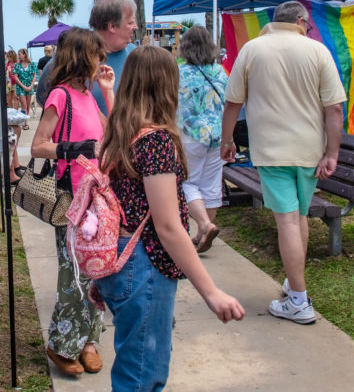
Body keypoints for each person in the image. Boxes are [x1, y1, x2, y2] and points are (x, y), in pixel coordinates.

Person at [96, 45, 244, 390]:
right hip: (143, 264)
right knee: (143, 374)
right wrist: (211, 292)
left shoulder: (120, 133)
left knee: (133, 363)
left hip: (119, 257)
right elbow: (167, 226)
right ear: (167, 85)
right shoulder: (157, 140)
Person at [220, 1, 346, 325]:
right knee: (298, 217)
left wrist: (227, 140)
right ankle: (295, 286)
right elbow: (334, 109)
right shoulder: (317, 51)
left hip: (272, 151)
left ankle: (299, 300)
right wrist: (332, 152)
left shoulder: (252, 49)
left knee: (288, 221)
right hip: (309, 151)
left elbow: (233, 102)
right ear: (302, 21)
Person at [31, 28, 113, 378]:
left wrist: (108, 91)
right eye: (97, 55)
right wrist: (74, 149)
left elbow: (112, 133)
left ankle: (89, 340)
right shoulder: (60, 96)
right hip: (70, 194)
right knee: (72, 271)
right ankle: (63, 343)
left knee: (95, 268)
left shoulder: (87, 95)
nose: (102, 61)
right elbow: (38, 146)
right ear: (82, 57)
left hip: (96, 194)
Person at [37, 0, 138, 115]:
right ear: (111, 26)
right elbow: (43, 99)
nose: (135, 27)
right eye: (131, 22)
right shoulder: (68, 59)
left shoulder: (136, 56)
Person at [176, 25, 228, 254]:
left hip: (190, 135)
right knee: (211, 185)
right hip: (218, 136)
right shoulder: (220, 72)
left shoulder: (180, 73)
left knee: (187, 182)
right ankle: (202, 233)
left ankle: (205, 226)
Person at [12, 48, 38, 126]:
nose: (18, 56)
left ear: (24, 54)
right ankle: (25, 123)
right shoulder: (17, 65)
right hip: (20, 87)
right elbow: (15, 77)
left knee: (28, 105)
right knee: (24, 104)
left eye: (19, 54)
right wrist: (23, 86)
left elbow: (34, 76)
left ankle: (25, 119)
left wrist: (31, 86)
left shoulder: (32, 64)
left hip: (29, 87)